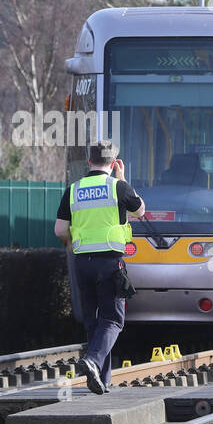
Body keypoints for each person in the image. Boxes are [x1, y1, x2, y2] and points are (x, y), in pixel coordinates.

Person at [54, 141, 145, 394]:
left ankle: (102, 380)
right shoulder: (118, 186)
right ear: (113, 162)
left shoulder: (73, 190)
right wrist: (123, 177)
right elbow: (140, 211)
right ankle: (93, 361)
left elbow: (60, 230)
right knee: (113, 320)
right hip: (109, 264)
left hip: (82, 263)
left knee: (94, 322)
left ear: (89, 161)